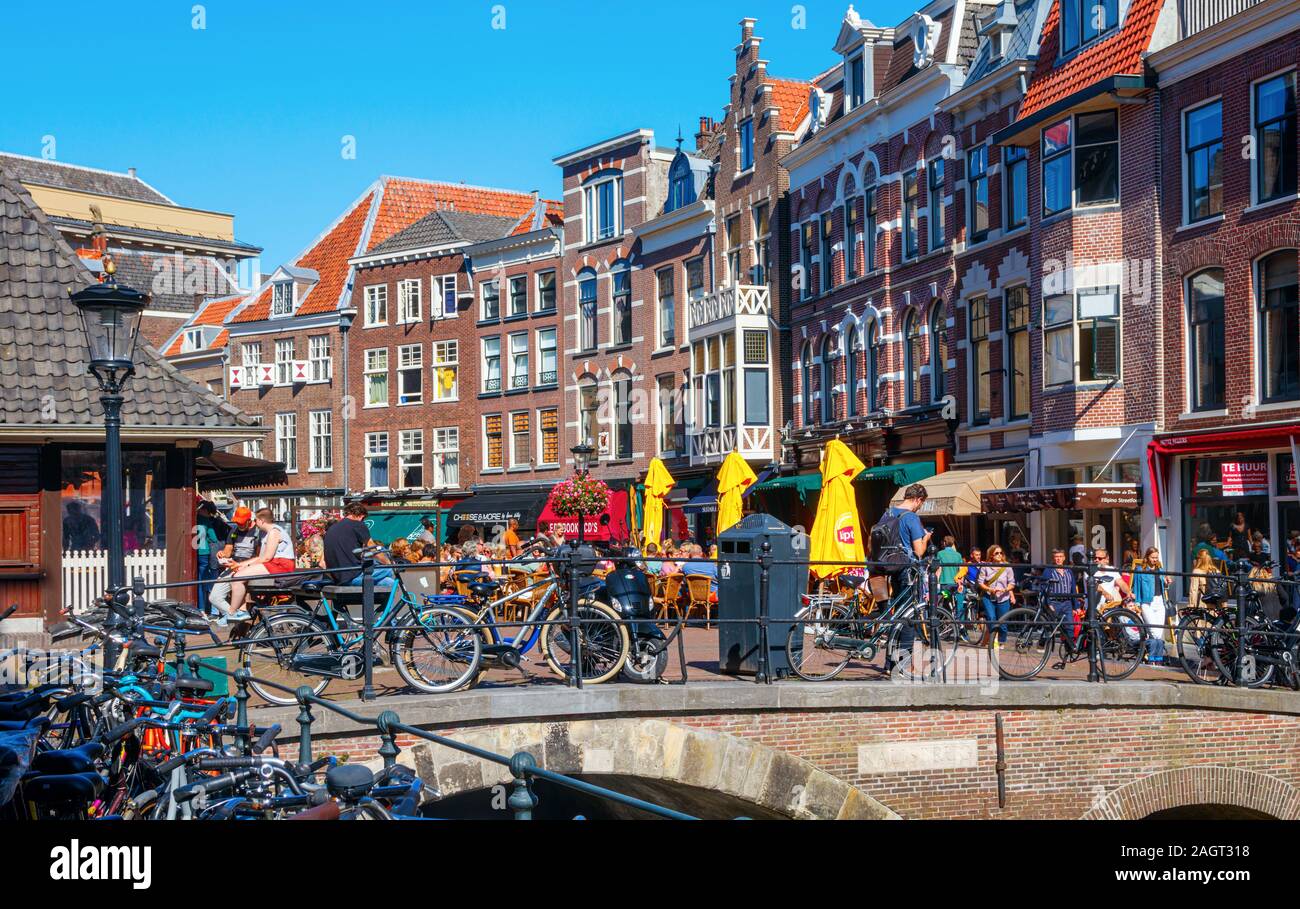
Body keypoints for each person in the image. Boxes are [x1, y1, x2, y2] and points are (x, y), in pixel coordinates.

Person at [874, 483, 932, 667]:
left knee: (896, 615)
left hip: (888, 567)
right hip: (907, 571)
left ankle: (889, 663)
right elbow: (919, 551)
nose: (919, 507)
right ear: (917, 499)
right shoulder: (911, 517)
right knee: (909, 617)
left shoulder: (888, 513)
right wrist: (926, 538)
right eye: (920, 504)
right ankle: (904, 664)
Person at [224, 509, 296, 623]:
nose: (254, 522)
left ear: (262, 520)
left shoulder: (273, 532)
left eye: (256, 520)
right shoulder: (270, 533)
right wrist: (240, 564)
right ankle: (241, 610)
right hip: (276, 563)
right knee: (238, 575)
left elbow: (266, 558)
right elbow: (261, 558)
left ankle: (233, 612)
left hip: (280, 565)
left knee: (237, 578)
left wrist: (245, 566)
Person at [323, 502, 394, 587]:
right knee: (390, 570)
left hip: (338, 579)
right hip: (355, 576)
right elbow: (373, 549)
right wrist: (389, 563)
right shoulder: (358, 525)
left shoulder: (332, 528)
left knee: (388, 582)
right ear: (361, 516)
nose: (363, 521)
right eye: (363, 519)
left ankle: (372, 600)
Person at [209, 506, 260, 618]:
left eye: (242, 523)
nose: (239, 525)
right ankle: (237, 615)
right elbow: (228, 550)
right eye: (237, 522)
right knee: (214, 597)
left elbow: (260, 557)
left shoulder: (258, 532)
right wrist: (222, 554)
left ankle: (237, 615)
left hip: (250, 568)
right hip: (232, 566)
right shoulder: (234, 531)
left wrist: (245, 566)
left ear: (249, 520)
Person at [1130, 547, 1168, 665]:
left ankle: (1155, 659)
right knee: (1154, 632)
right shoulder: (1140, 569)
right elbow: (1135, 587)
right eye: (1153, 557)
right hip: (1147, 602)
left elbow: (1163, 587)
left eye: (1156, 557)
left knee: (1159, 632)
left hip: (1159, 601)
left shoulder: (1160, 569)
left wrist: (1166, 582)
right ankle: (1153, 658)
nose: (1155, 560)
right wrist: (1136, 604)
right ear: (1147, 557)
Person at [977, 545, 1017, 646]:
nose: (999, 555)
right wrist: (990, 589)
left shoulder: (1007, 566)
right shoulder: (985, 566)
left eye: (1001, 553)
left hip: (1003, 597)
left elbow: (1012, 583)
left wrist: (1005, 589)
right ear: (991, 555)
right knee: (991, 618)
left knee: (1002, 623)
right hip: (989, 596)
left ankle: (1001, 641)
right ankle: (992, 637)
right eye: (996, 553)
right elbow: (980, 582)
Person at [1041, 549, 1081, 645]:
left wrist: (1076, 606)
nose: (1058, 559)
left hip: (1067, 603)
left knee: (1070, 627)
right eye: (1056, 557)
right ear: (1053, 558)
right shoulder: (1049, 570)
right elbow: (1043, 588)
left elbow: (1073, 589)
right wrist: (1048, 603)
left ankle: (1070, 648)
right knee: (1050, 626)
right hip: (1054, 602)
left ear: (1064, 558)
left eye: (1060, 556)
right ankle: (1043, 645)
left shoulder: (1068, 570)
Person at [195, 502, 224, 616]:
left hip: (194, 552)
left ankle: (201, 608)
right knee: (203, 582)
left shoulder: (193, 518)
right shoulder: (206, 521)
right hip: (204, 552)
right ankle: (204, 609)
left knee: (198, 581)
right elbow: (213, 538)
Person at [935, 536, 965, 613]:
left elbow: (939, 570)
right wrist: (961, 583)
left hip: (944, 585)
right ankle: (958, 619)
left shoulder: (940, 553)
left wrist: (936, 583)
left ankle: (947, 617)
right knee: (957, 600)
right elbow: (961, 570)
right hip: (955, 584)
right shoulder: (958, 555)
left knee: (946, 600)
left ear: (944, 543)